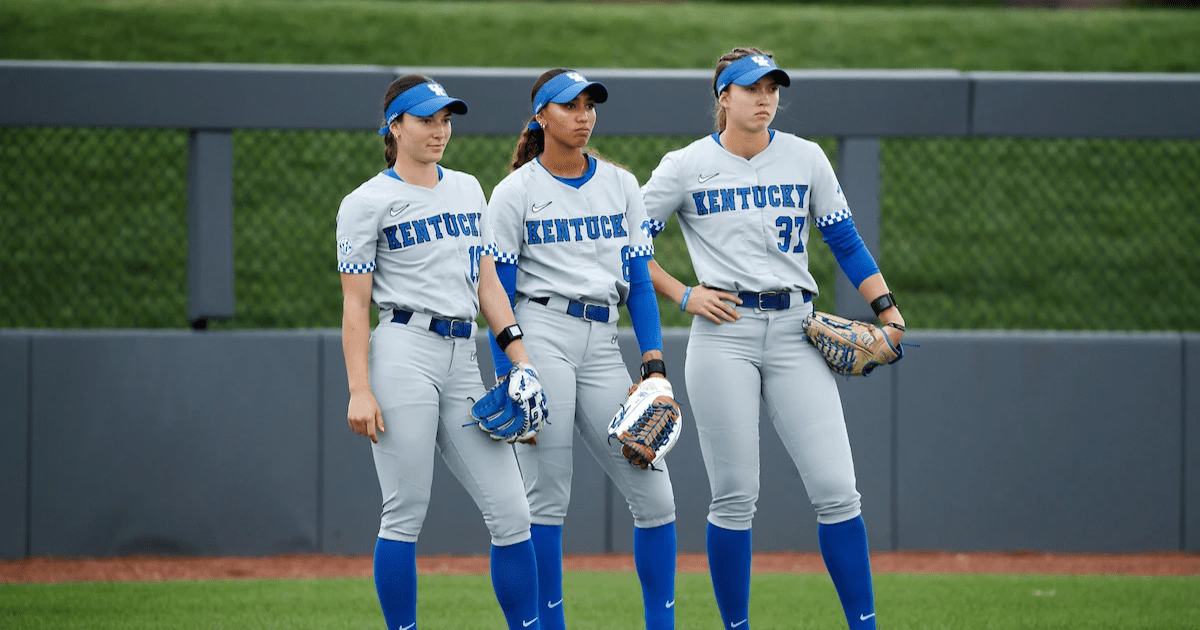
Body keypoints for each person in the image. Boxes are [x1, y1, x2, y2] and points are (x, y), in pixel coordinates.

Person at [640, 48, 906, 630]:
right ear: (723, 97)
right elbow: (627, 248)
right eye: (751, 88)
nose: (765, 98)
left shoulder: (805, 158)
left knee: (838, 489)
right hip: (723, 335)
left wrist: (887, 310)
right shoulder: (685, 166)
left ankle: (864, 624)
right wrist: (683, 293)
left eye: (772, 88)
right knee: (735, 495)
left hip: (795, 329)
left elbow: (845, 241)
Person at [336, 74, 543, 630]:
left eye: (445, 118)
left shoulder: (469, 188)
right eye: (426, 119)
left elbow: (488, 286)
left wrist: (521, 361)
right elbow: (355, 308)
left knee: (513, 511)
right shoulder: (365, 202)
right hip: (402, 351)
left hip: (462, 355)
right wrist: (360, 388)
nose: (440, 129)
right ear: (394, 126)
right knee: (404, 512)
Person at [485, 69, 678, 630]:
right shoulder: (515, 192)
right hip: (539, 330)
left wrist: (654, 364)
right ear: (541, 116)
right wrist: (510, 376)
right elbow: (493, 289)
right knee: (548, 497)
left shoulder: (620, 184)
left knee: (655, 493)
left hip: (602, 338)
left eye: (590, 104)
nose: (584, 114)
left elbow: (639, 282)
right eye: (570, 105)